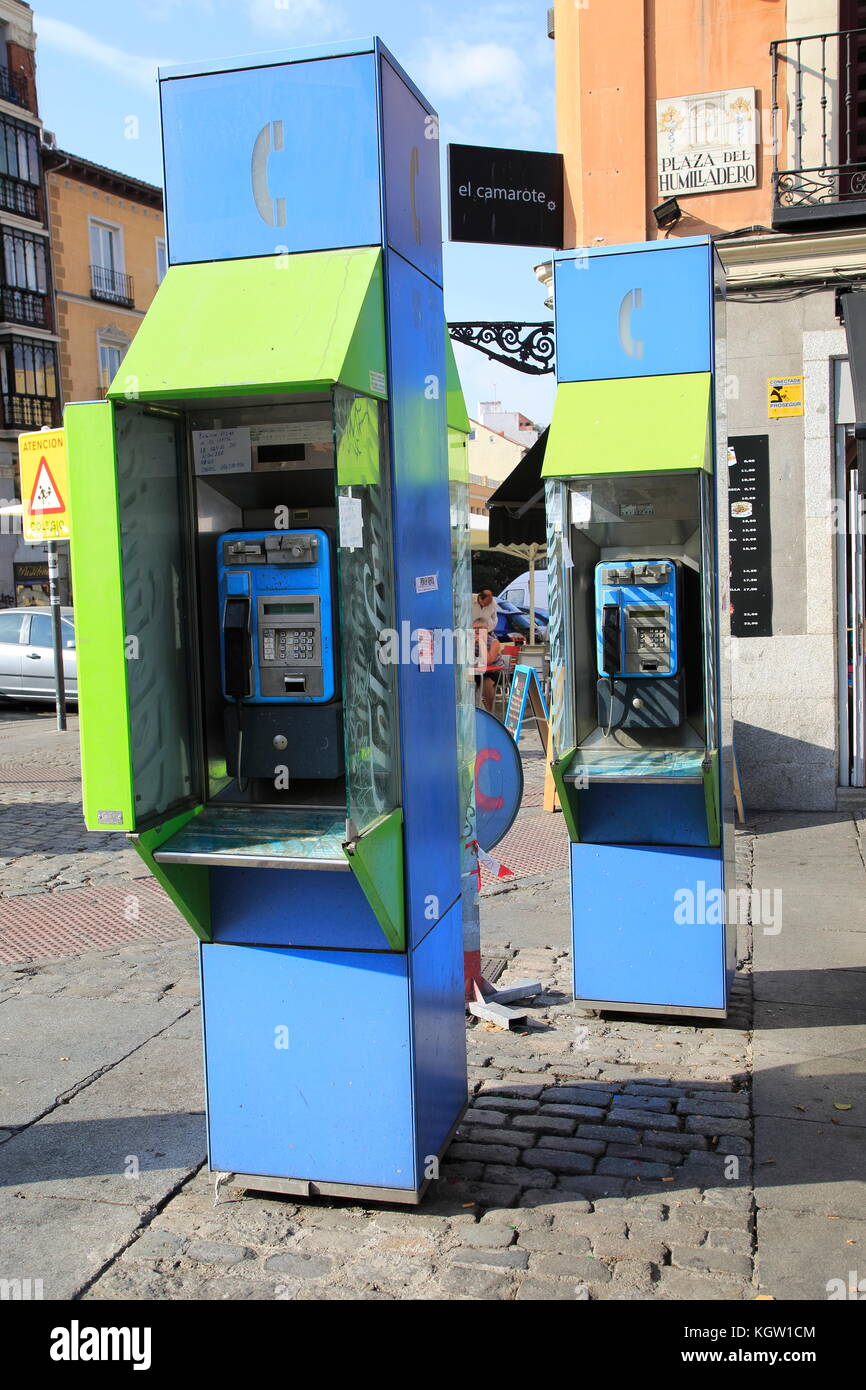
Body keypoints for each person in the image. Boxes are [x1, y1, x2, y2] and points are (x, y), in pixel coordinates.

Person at [473, 618, 505, 713]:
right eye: (474, 628)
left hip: (495, 671)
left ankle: (490, 711)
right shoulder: (471, 641)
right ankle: (473, 709)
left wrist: (482, 643)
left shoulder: (494, 642)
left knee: (487, 682)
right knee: (465, 679)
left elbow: (488, 661)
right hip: (478, 671)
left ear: (486, 629)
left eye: (480, 628)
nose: (477, 630)